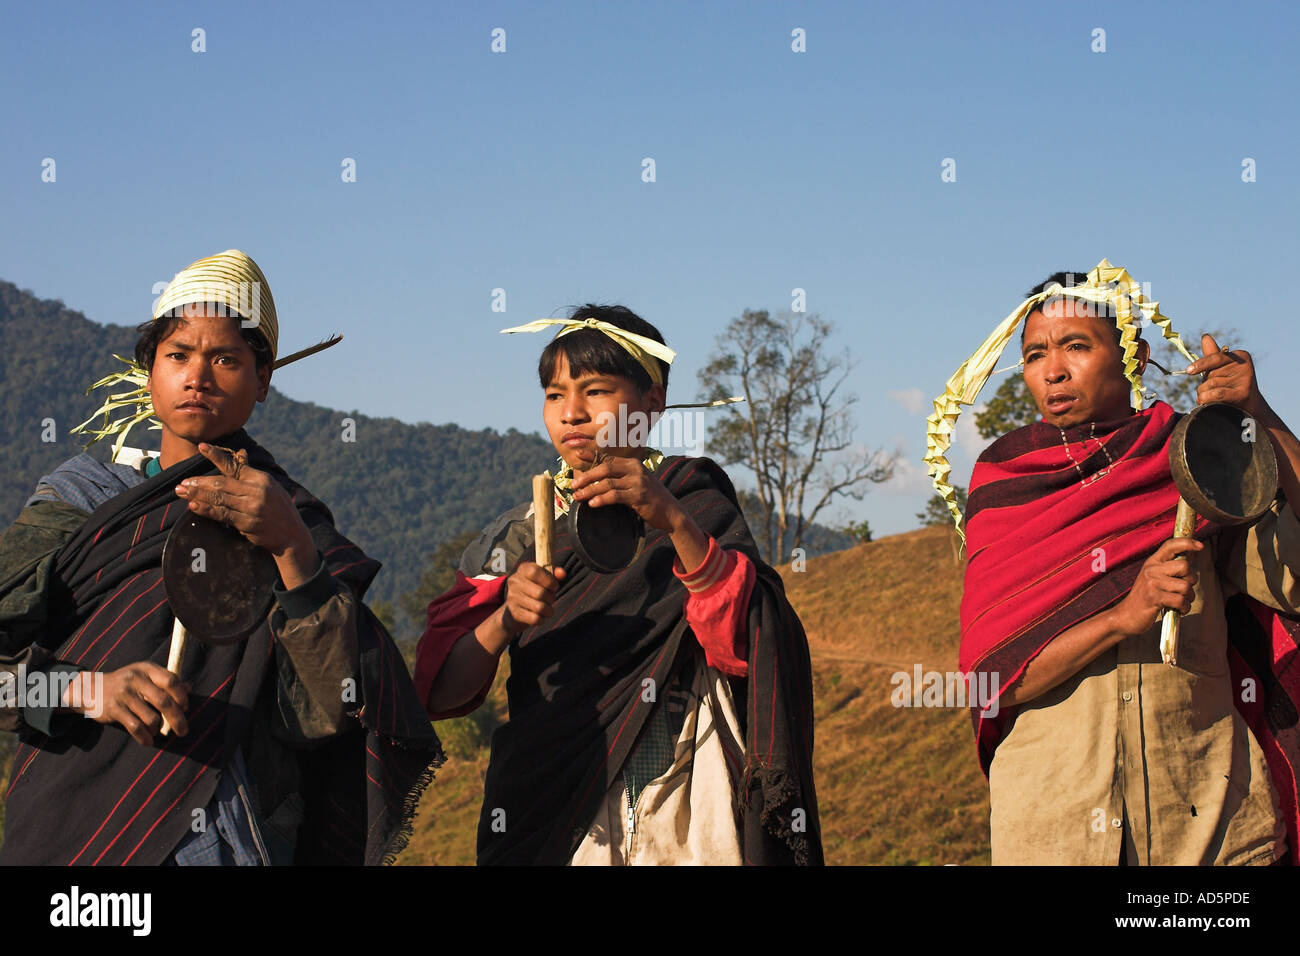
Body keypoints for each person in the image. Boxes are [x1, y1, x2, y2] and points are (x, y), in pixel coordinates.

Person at [0, 250, 440, 865]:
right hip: (70, 836)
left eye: (226, 359)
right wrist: (86, 690)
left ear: (262, 380)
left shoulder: (294, 522)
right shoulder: (80, 507)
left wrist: (290, 550)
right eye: (178, 355)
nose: (197, 376)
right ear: (147, 369)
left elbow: (331, 711)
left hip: (226, 837)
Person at [413, 305, 822, 865]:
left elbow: (752, 647)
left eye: (596, 390)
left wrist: (674, 523)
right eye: (555, 395)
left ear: (653, 401)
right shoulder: (516, 536)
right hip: (556, 819)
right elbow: (438, 693)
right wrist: (506, 617)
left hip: (686, 805)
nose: (572, 412)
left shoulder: (694, 504)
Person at [934, 262, 1300, 865]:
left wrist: (1259, 415)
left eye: (1077, 345)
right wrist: (1120, 618)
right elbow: (991, 678)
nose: (1053, 370)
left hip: (1211, 827)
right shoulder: (1006, 488)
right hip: (1054, 832)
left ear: (1133, 352)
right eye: (1034, 355)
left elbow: (1293, 580)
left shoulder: (1195, 460)